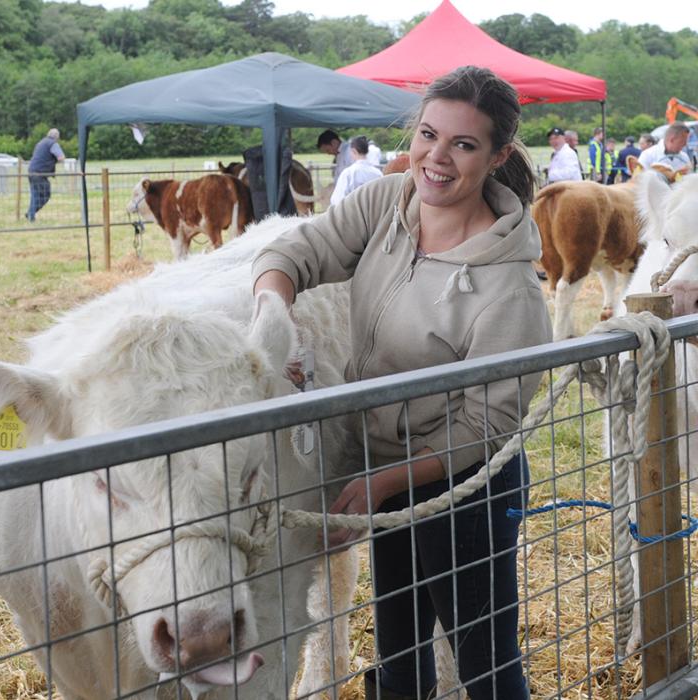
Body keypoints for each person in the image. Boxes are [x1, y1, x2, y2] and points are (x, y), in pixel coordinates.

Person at [253, 65, 551, 700]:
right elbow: (295, 252)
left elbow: (488, 423)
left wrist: (382, 484)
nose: (436, 158)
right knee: (400, 652)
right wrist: (275, 317)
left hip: (464, 486)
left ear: (497, 156)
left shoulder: (510, 286)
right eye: (428, 135)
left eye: (463, 144)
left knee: (486, 663)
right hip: (386, 471)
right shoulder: (388, 202)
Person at [329, 135, 383, 205]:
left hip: (353, 209)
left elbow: (337, 200)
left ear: (353, 151)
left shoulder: (348, 173)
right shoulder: (378, 173)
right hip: (373, 209)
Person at [26, 128, 65, 221]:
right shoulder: (53, 144)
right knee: (45, 195)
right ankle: (30, 213)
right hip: (40, 174)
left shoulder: (40, 143)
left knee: (35, 195)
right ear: (57, 137)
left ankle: (31, 215)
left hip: (31, 171)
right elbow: (61, 157)